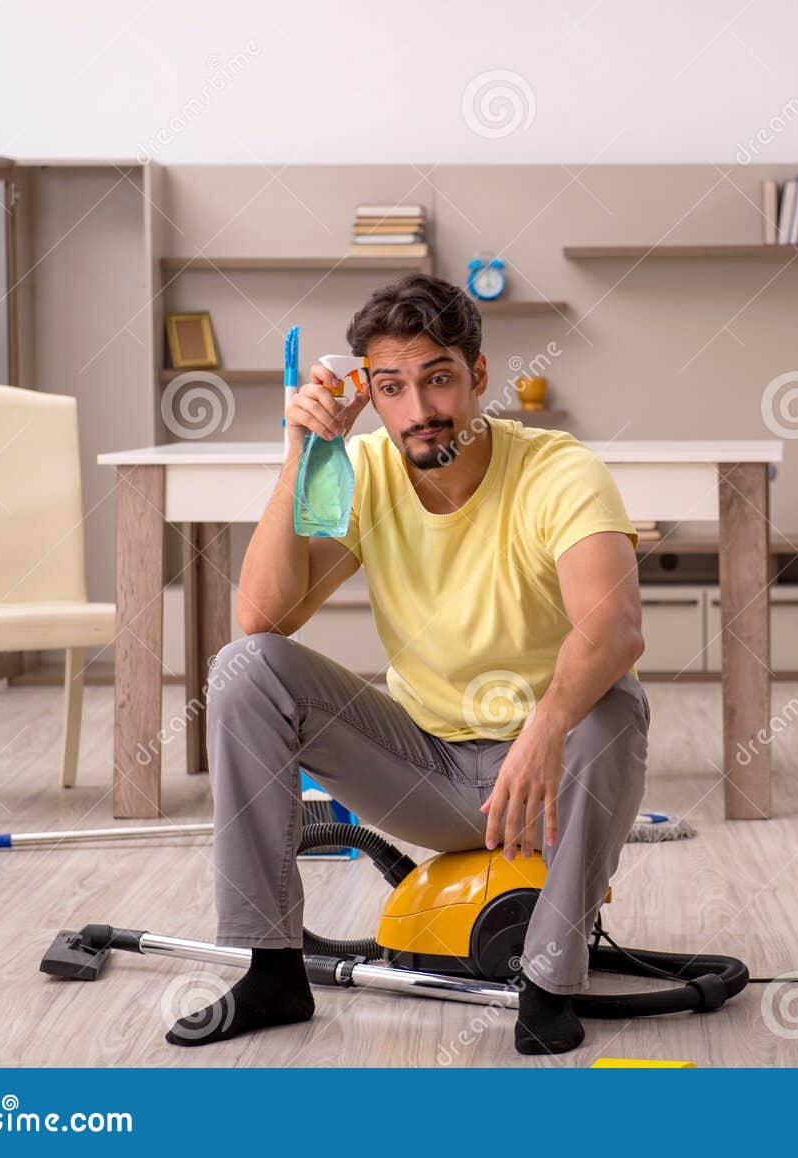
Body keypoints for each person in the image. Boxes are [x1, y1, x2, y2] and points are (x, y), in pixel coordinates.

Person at [166, 273, 649, 1056]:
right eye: (392, 387)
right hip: (424, 774)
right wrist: (300, 455)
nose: (420, 410)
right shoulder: (360, 471)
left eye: (438, 379)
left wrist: (547, 725)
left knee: (616, 702)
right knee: (245, 669)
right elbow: (263, 620)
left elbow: (617, 627)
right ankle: (272, 969)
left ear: (478, 377)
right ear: (370, 394)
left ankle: (552, 983)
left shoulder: (558, 470)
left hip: (545, 779)